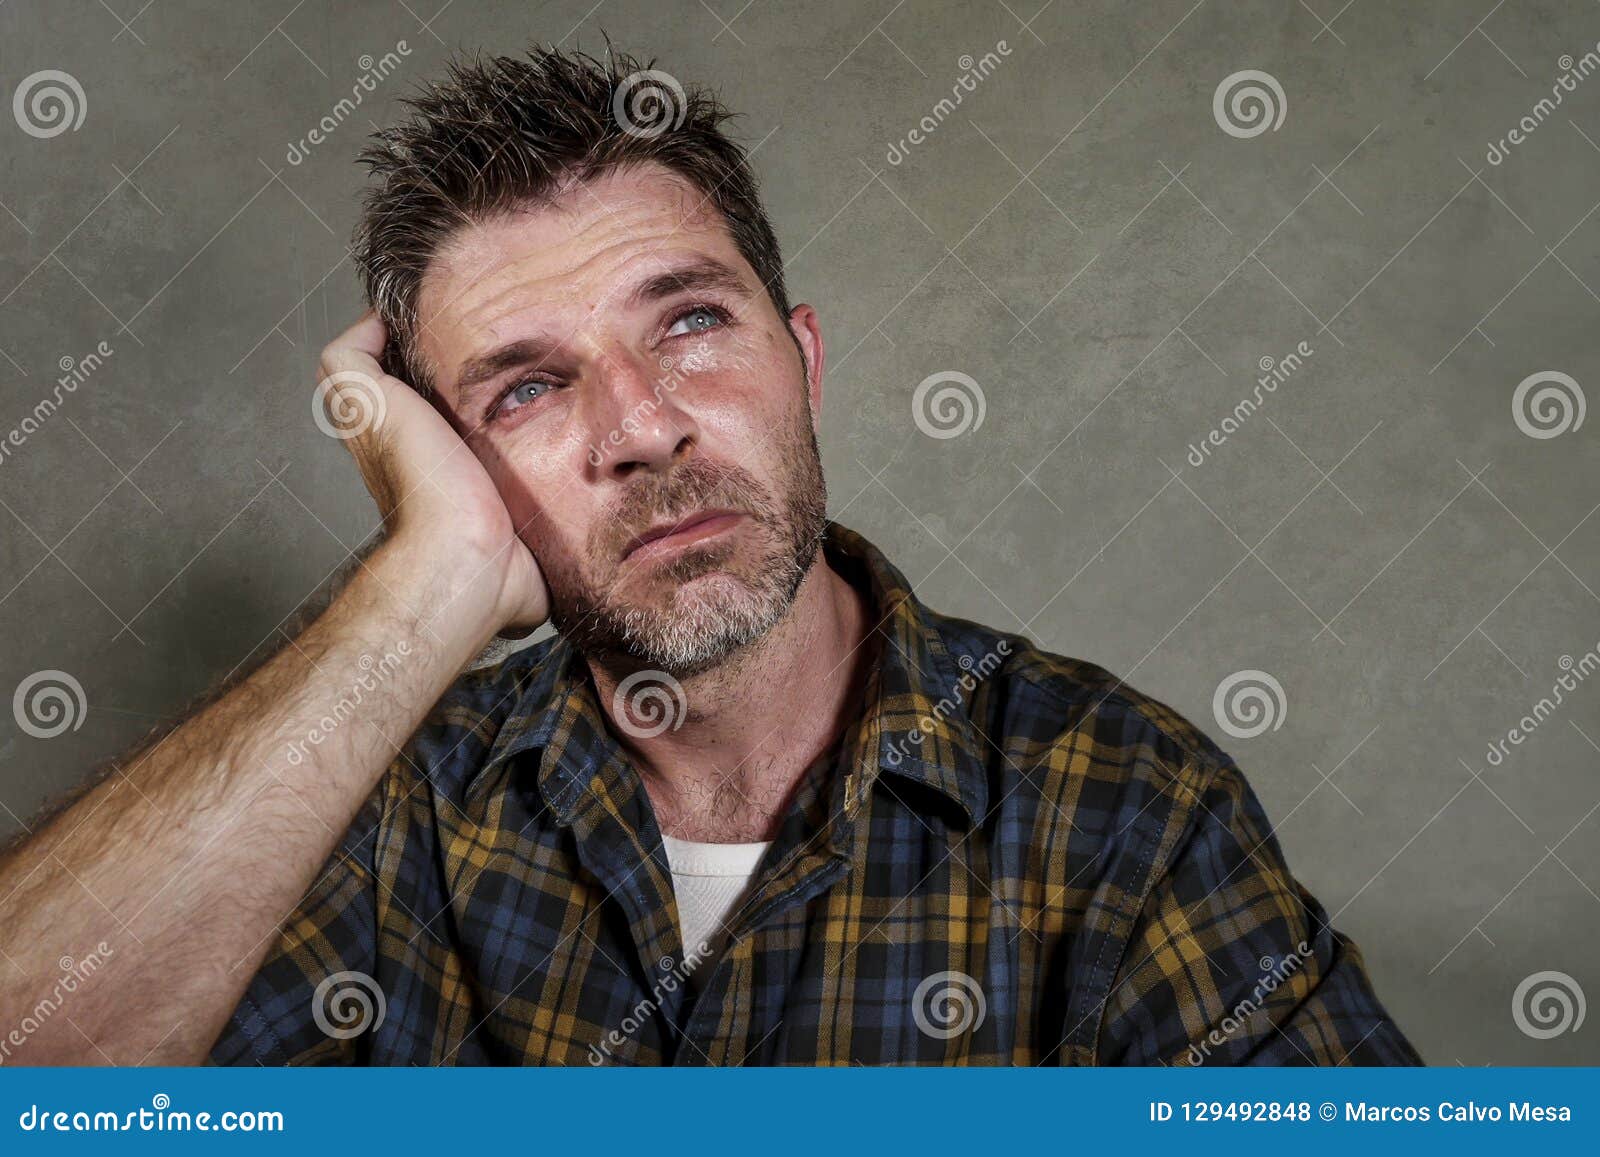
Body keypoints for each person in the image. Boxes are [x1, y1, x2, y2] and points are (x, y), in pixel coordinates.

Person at [0, 45, 1420, 1066]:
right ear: (455, 465)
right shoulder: (382, 811)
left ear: (803, 365)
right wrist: (419, 589)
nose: (642, 428)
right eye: (527, 388)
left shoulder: (1123, 805)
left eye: (687, 322)